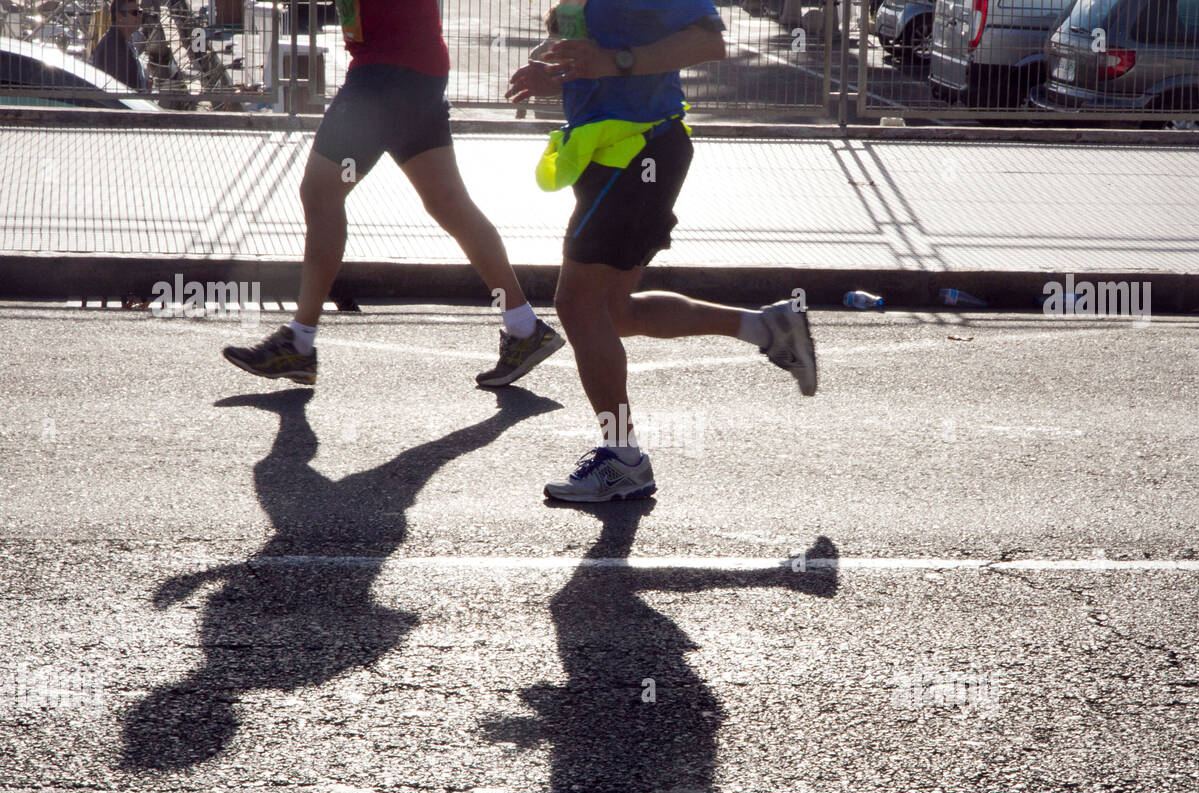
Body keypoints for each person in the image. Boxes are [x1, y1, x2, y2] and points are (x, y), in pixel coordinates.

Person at [505, 0, 817, 502]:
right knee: (613, 311)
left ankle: (623, 457)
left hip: (638, 153)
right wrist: (562, 77)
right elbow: (602, 56)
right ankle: (766, 326)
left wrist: (613, 62)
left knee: (577, 305)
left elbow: (707, 41)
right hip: (617, 152)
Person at [222, 0, 564, 388]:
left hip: (386, 77)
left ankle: (299, 341)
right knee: (448, 203)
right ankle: (523, 326)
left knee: (321, 192)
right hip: (412, 72)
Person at [90, 0, 148, 93]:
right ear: (119, 17)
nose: (139, 16)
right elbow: (123, 88)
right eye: (134, 13)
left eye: (140, 12)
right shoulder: (113, 48)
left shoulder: (122, 41)